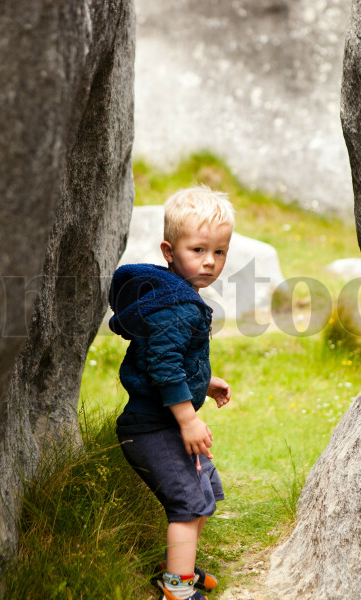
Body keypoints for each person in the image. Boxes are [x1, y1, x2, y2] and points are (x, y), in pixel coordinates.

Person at [108, 185, 235, 600]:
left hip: (161, 424)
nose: (209, 262)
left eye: (219, 252)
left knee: (206, 493)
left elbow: (166, 356)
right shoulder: (176, 306)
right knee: (188, 504)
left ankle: (176, 567)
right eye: (197, 250)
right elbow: (163, 365)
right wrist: (188, 417)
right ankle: (178, 591)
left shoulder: (177, 297)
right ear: (169, 251)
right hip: (154, 429)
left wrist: (205, 381)